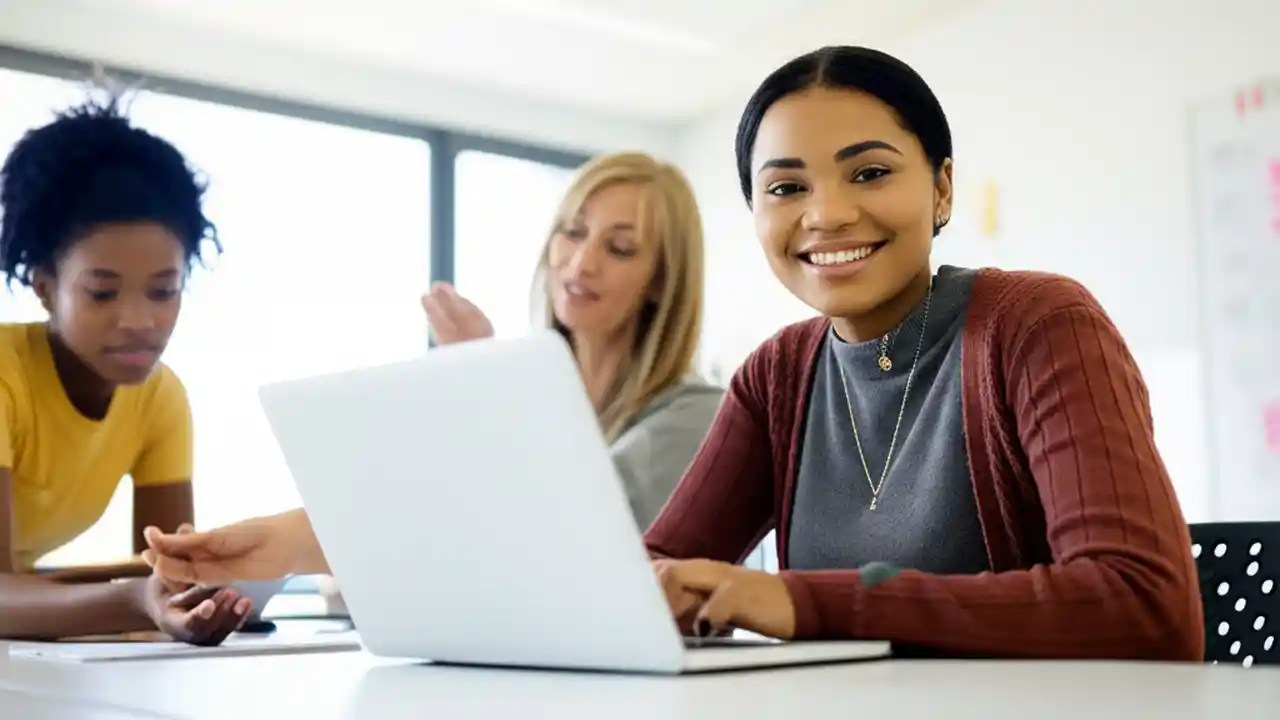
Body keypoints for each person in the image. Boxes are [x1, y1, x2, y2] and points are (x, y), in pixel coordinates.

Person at [643, 46, 1203, 660]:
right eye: (786, 187)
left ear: (941, 188)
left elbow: (1145, 605)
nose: (826, 214)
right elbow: (655, 571)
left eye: (869, 173)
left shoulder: (1039, 324)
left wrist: (808, 603)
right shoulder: (774, 376)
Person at [141, 152, 722, 585]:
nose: (581, 261)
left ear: (661, 284)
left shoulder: (695, 416)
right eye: (573, 231)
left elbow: (557, 536)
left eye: (619, 248)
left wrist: (496, 385)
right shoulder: (539, 398)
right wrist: (288, 541)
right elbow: (442, 512)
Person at [0, 98, 250, 644]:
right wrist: (140, 600)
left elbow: (166, 570)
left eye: (164, 291)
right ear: (46, 288)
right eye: (102, 292)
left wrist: (197, 590)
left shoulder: (160, 398)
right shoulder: (6, 377)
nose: (140, 321)